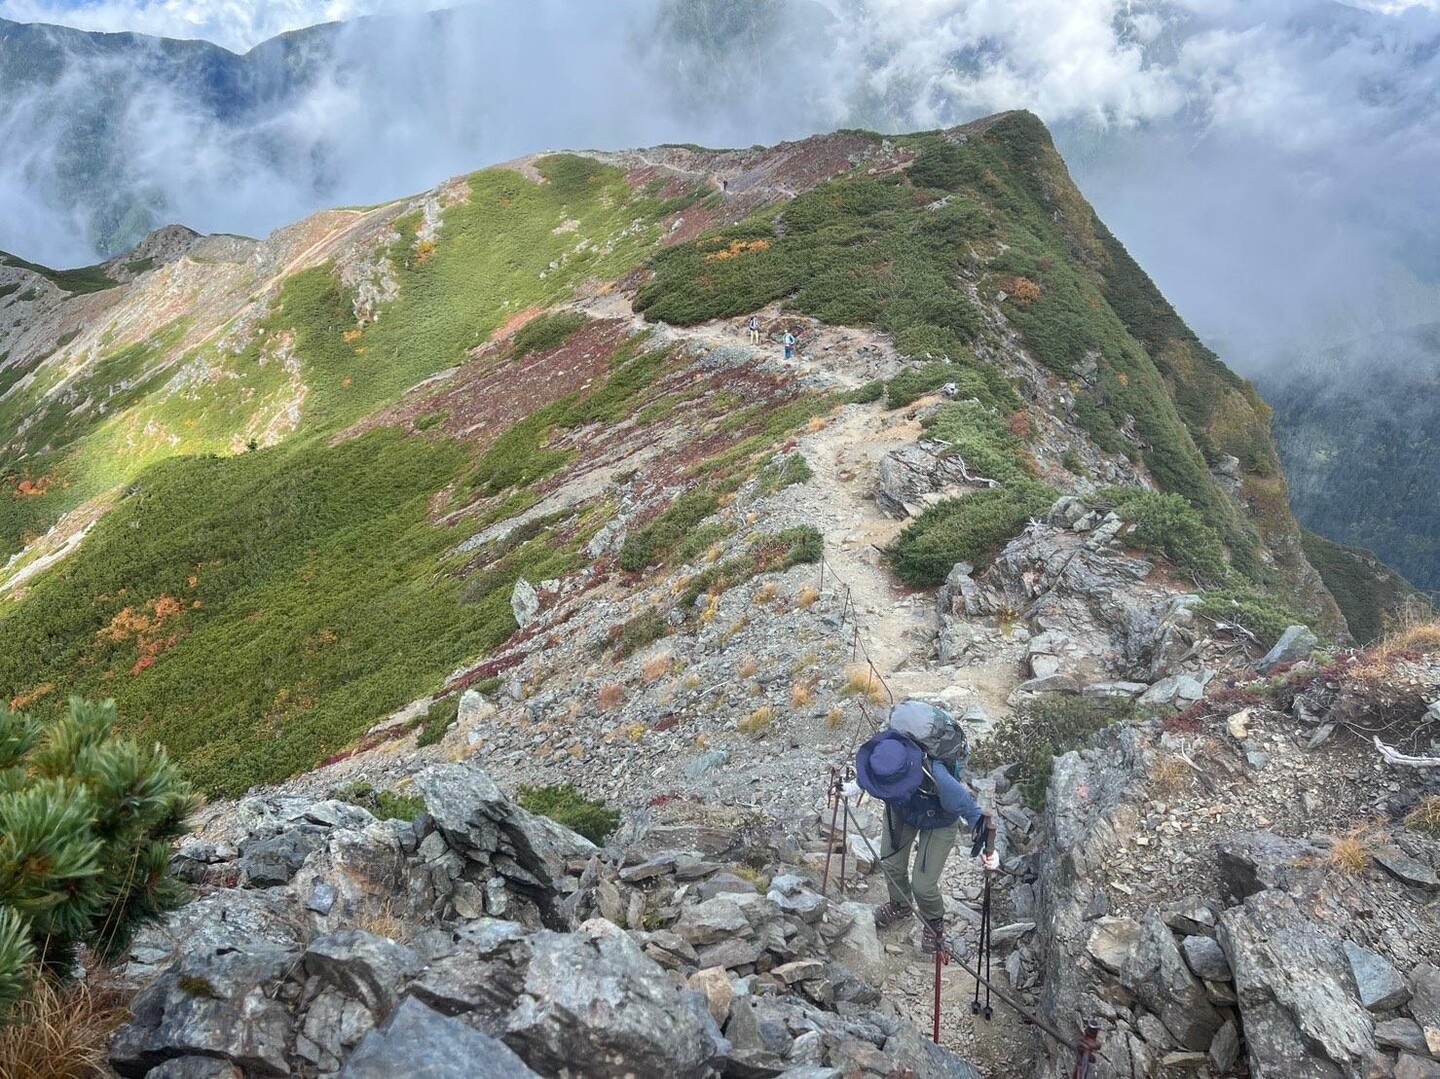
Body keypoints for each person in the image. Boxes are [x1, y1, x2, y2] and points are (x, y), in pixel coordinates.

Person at [849, 713, 996, 956]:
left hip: (939, 819)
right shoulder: (890, 753)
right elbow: (877, 771)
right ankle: (900, 904)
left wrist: (989, 850)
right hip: (903, 810)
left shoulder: (938, 778)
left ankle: (934, 922)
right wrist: (858, 784)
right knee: (890, 862)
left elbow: (971, 811)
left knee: (924, 885)